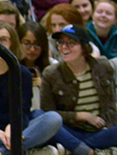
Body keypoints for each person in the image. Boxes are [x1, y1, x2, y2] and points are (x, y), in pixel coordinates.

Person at [0, 23, 62, 155]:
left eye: (3, 39)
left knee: (54, 118)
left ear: (12, 44)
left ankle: (0, 153)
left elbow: (22, 110)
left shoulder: (22, 73)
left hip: (14, 131)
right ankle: (24, 150)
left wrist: (12, 128)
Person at [41, 24, 117, 155]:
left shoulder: (103, 66)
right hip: (71, 129)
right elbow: (48, 113)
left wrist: (107, 125)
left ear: (84, 47)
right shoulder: (52, 74)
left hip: (102, 129)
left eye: (71, 43)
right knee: (46, 123)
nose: (64, 47)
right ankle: (88, 149)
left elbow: (111, 102)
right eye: (61, 43)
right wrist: (80, 116)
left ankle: (77, 148)